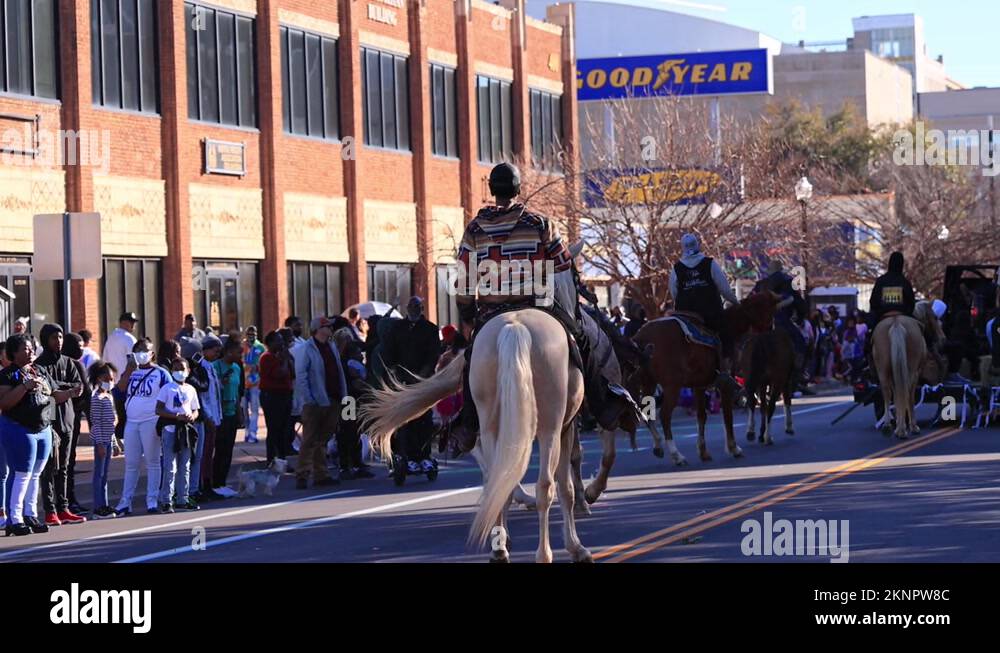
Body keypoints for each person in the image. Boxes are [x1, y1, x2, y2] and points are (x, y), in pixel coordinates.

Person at [453, 162, 631, 452]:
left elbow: (462, 280)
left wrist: (467, 313)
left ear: (491, 191)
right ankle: (604, 404)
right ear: (518, 189)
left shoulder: (474, 229)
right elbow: (563, 264)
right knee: (583, 341)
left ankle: (469, 423)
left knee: (473, 358)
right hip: (539, 306)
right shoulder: (540, 223)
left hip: (490, 312)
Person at [0, 334, 79, 536]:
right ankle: (14, 519)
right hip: (19, 428)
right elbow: (5, 403)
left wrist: (70, 393)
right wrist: (25, 387)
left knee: (36, 474)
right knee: (22, 473)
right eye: (24, 348)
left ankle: (30, 514)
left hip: (42, 428)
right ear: (13, 352)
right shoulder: (8, 374)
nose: (30, 351)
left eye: (31, 347)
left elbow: (53, 396)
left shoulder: (40, 370)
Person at [668, 233, 741, 389]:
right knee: (726, 336)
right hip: (710, 313)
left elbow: (674, 293)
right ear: (698, 244)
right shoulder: (710, 264)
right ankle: (725, 371)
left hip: (684, 316)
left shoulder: (676, 268)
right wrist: (736, 303)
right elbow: (725, 290)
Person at [35, 323, 87, 526]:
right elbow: (49, 390)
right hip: (48, 420)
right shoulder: (39, 364)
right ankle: (50, 510)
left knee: (65, 467)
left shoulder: (69, 362)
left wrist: (64, 390)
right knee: (49, 468)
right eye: (54, 337)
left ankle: (64, 507)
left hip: (68, 419)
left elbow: (79, 386)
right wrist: (64, 390)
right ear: (45, 340)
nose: (58, 341)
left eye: (60, 337)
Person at [381, 297, 440, 474]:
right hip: (402, 380)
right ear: (407, 309)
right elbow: (389, 353)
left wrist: (422, 375)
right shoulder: (397, 328)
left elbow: (433, 354)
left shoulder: (430, 329)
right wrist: (394, 373)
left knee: (423, 420)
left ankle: (423, 456)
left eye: (418, 307)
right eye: (411, 306)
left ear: (422, 309)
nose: (414, 309)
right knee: (403, 421)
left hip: (423, 381)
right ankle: (405, 456)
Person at [114, 338, 171, 516]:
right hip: (132, 422)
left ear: (152, 353)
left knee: (153, 462)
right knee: (131, 463)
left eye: (145, 350)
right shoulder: (130, 372)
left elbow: (170, 394)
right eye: (138, 350)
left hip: (151, 421)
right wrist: (129, 370)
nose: (141, 353)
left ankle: (152, 501)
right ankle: (125, 502)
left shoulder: (160, 373)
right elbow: (120, 390)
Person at [293, 316, 347, 489]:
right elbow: (301, 376)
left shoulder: (331, 346)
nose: (330, 329)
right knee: (309, 438)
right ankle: (302, 473)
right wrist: (309, 398)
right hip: (315, 401)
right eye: (327, 326)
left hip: (333, 398)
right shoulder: (306, 348)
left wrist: (343, 395)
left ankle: (321, 473)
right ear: (318, 329)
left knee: (323, 438)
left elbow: (339, 372)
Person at [156, 357, 201, 513]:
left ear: (188, 371)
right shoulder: (167, 388)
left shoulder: (191, 389)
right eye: (175, 369)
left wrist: (192, 417)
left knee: (185, 466)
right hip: (170, 430)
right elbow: (159, 409)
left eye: (182, 369)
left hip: (186, 430)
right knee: (170, 466)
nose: (179, 372)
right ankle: (166, 500)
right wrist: (176, 417)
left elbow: (195, 409)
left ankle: (183, 498)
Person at [185, 337, 223, 502]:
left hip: (213, 415)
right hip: (206, 417)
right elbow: (202, 395)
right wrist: (208, 416)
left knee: (208, 453)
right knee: (203, 454)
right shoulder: (200, 367)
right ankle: (202, 486)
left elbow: (214, 394)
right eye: (214, 350)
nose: (217, 353)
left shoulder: (209, 366)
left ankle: (207, 484)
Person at [333, 330, 374, 479]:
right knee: (346, 432)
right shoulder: (342, 361)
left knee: (356, 430)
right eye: (346, 340)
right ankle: (345, 465)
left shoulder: (348, 360)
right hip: (347, 400)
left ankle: (356, 463)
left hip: (355, 399)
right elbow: (354, 382)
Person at [60, 332, 92, 515]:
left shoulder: (62, 363)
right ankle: (68, 500)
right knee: (67, 463)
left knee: (65, 462)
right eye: (78, 346)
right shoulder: (74, 365)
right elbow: (86, 394)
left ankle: (66, 499)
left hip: (67, 417)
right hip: (69, 418)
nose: (82, 350)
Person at [211, 339, 243, 495]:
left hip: (231, 413)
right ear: (229, 352)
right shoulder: (215, 367)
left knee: (228, 450)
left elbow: (237, 393)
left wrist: (239, 414)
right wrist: (221, 382)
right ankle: (215, 483)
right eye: (239, 352)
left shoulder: (237, 368)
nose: (241, 355)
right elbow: (213, 390)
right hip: (219, 414)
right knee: (220, 449)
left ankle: (223, 482)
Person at [87, 361, 118, 519]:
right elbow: (96, 422)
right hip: (101, 441)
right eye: (107, 378)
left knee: (105, 475)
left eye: (112, 379)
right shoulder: (96, 398)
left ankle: (104, 504)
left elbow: (111, 422)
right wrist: (99, 443)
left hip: (108, 440)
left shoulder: (109, 397)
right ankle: (98, 507)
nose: (110, 382)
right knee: (98, 474)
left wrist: (114, 442)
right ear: (99, 379)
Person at [259, 330, 295, 463]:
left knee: (284, 429)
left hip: (285, 395)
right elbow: (279, 373)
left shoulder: (282, 357)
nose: (282, 343)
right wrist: (284, 360)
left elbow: (293, 373)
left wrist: (288, 358)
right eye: (278, 340)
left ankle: (282, 459)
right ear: (271, 343)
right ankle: (271, 459)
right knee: (274, 428)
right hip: (272, 397)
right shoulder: (267, 357)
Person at [103, 312, 139, 441]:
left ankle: (118, 440)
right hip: (130, 383)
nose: (133, 325)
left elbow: (105, 361)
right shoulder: (129, 339)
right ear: (124, 322)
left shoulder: (110, 338)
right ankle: (125, 441)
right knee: (131, 417)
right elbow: (134, 361)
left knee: (122, 416)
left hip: (116, 384)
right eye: (131, 322)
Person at [241, 326, 265, 444]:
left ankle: (253, 434)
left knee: (254, 409)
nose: (251, 336)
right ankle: (247, 431)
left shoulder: (260, 347)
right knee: (244, 409)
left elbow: (264, 364)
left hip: (255, 383)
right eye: (249, 334)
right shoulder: (242, 347)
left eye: (253, 334)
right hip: (243, 383)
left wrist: (257, 368)